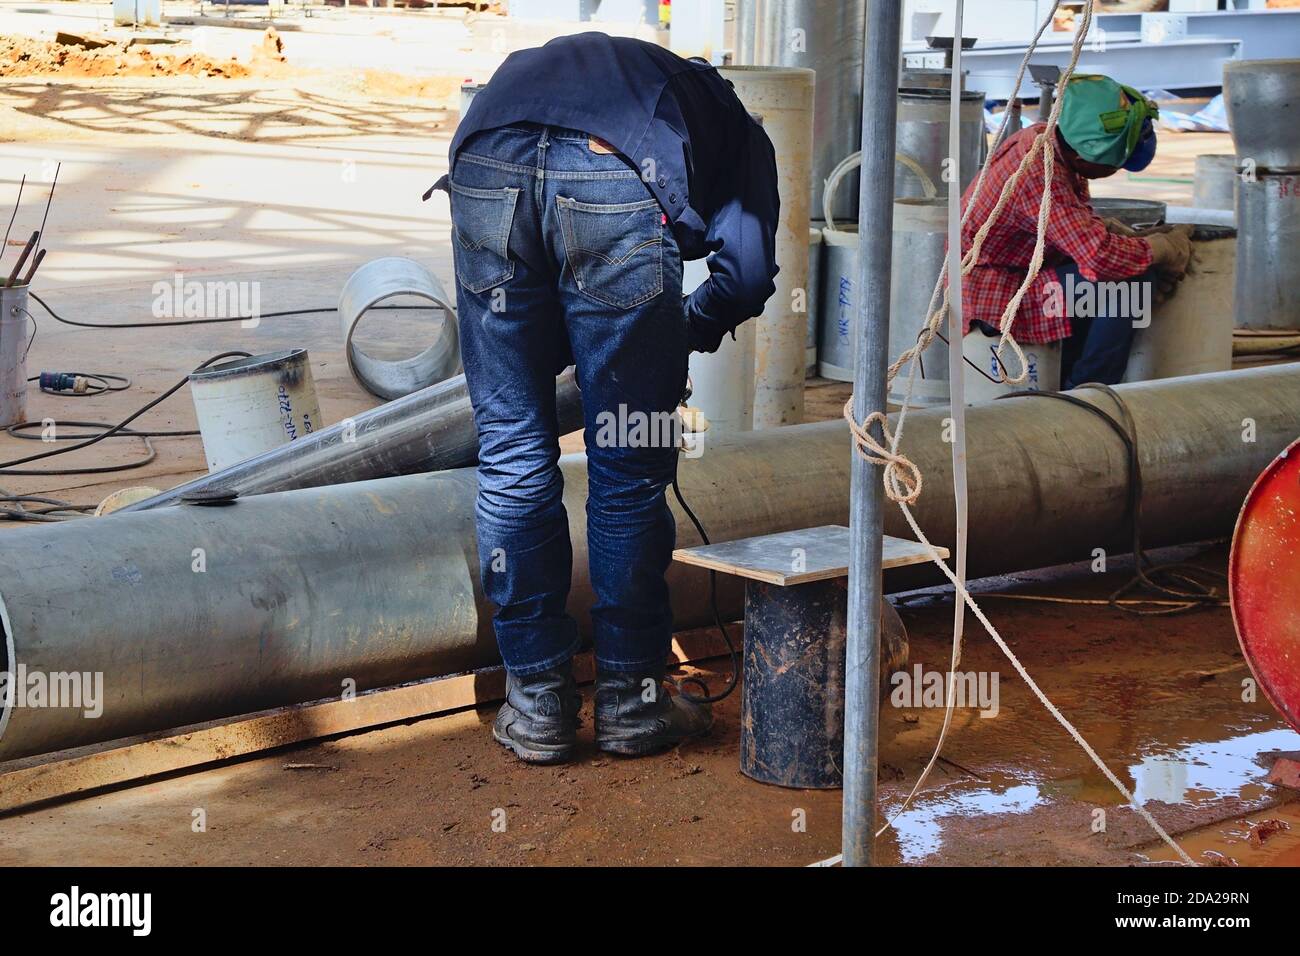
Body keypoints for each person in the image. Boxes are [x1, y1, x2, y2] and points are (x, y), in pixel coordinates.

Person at [428, 33, 780, 764]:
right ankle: (631, 704)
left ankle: (536, 706)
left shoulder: (614, 79)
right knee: (624, 472)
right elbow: (745, 276)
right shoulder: (736, 131)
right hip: (614, 178)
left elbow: (532, 304)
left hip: (486, 160)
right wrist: (682, 330)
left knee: (513, 454)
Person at [960, 74, 1194, 388]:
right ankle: (1089, 394)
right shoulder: (1040, 174)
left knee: (1125, 271)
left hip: (1023, 272)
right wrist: (1160, 250)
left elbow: (1072, 228)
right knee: (1129, 282)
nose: (1114, 172)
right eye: (1115, 165)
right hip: (998, 291)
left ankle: (1069, 371)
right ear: (1086, 157)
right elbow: (1098, 258)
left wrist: (1124, 238)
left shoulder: (1053, 141)